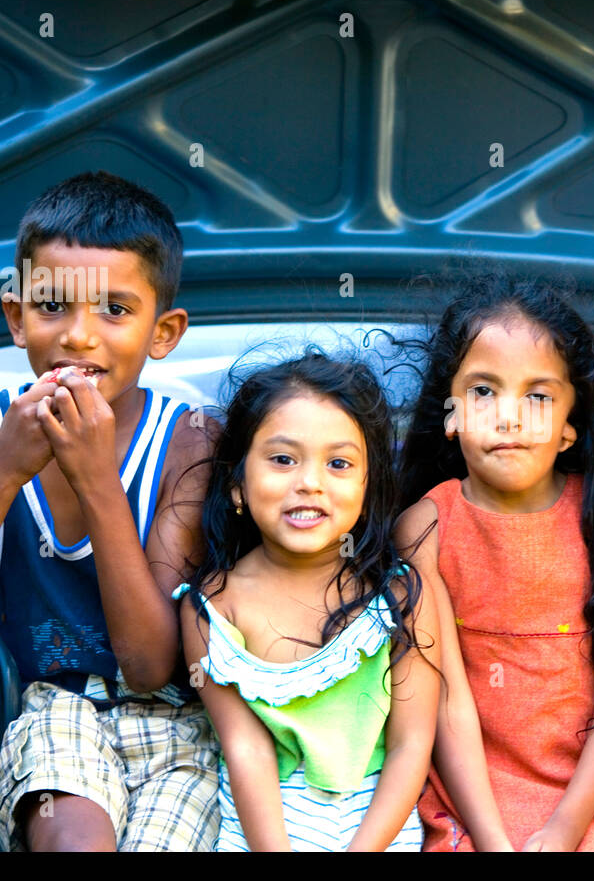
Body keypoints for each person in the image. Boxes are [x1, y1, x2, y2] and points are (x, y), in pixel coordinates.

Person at [0, 170, 220, 851]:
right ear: (16, 318)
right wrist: (4, 471)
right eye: (51, 307)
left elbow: (151, 665)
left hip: (173, 731)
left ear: (164, 332)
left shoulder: (188, 440)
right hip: (52, 710)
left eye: (114, 310)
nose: (78, 336)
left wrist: (99, 482)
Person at [396, 274, 594, 852]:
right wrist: (491, 840)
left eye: (537, 396)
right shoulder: (425, 529)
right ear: (450, 413)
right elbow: (445, 704)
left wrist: (564, 830)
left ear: (570, 425)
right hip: (470, 802)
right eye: (483, 391)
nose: (508, 417)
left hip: (591, 799)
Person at [178, 352, 439, 851]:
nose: (310, 482)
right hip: (259, 836)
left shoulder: (399, 596)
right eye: (282, 459)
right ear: (237, 485)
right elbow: (246, 747)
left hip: (380, 834)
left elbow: (411, 745)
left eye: (338, 463)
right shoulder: (210, 607)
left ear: (368, 485)